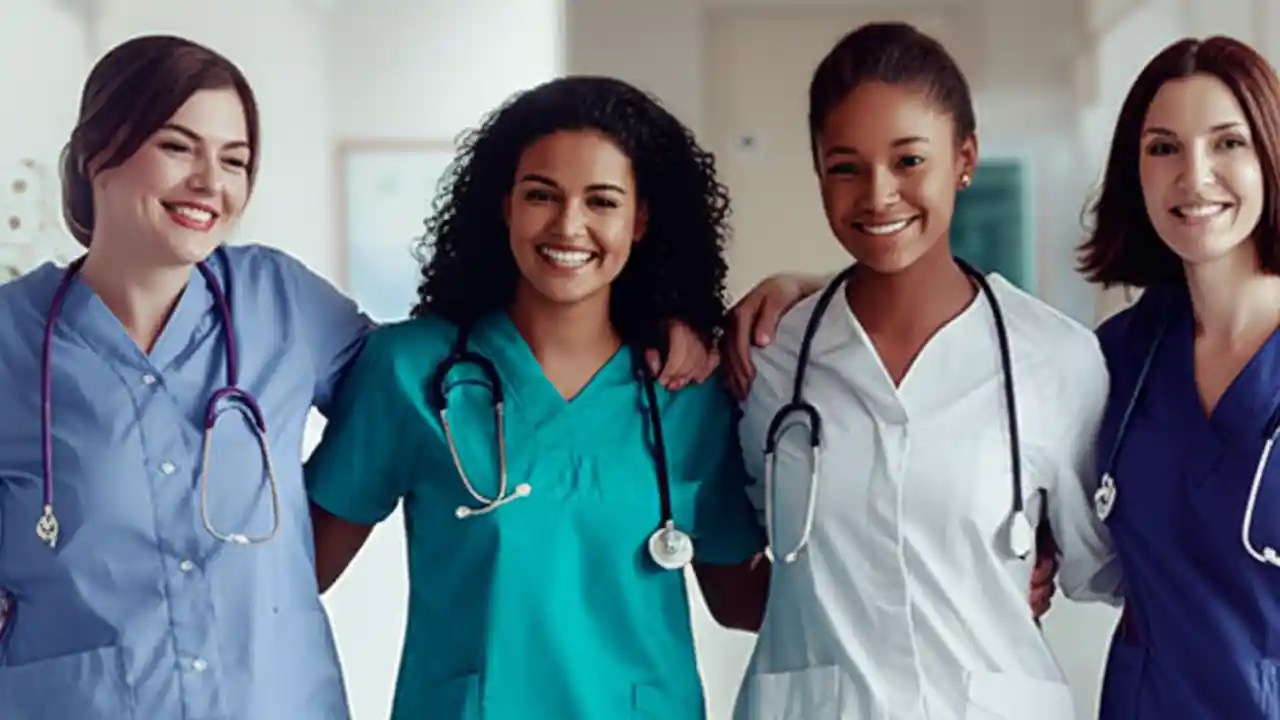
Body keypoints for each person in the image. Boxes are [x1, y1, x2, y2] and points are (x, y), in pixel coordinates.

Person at [0, 36, 712, 720]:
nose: (209, 182)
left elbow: (425, 387)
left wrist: (668, 317)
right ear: (98, 151)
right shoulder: (10, 338)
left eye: (236, 159)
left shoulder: (279, 305)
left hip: (268, 700)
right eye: (176, 147)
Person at [303, 75, 767, 720]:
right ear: (505, 206)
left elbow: (743, 599)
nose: (568, 225)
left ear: (641, 221)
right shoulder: (413, 373)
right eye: (541, 195)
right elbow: (294, 580)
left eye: (602, 201)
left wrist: (811, 296)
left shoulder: (685, 392)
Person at [718, 23, 1121, 719]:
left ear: (964, 158)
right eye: (845, 166)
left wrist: (1020, 563)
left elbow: (1101, 567)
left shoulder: (1056, 359)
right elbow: (741, 574)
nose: (878, 194)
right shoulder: (771, 357)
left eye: (909, 160)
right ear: (818, 171)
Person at [1079, 35, 1280, 719]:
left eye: (1229, 143)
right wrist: (814, 296)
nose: (1193, 177)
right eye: (1163, 147)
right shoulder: (1119, 358)